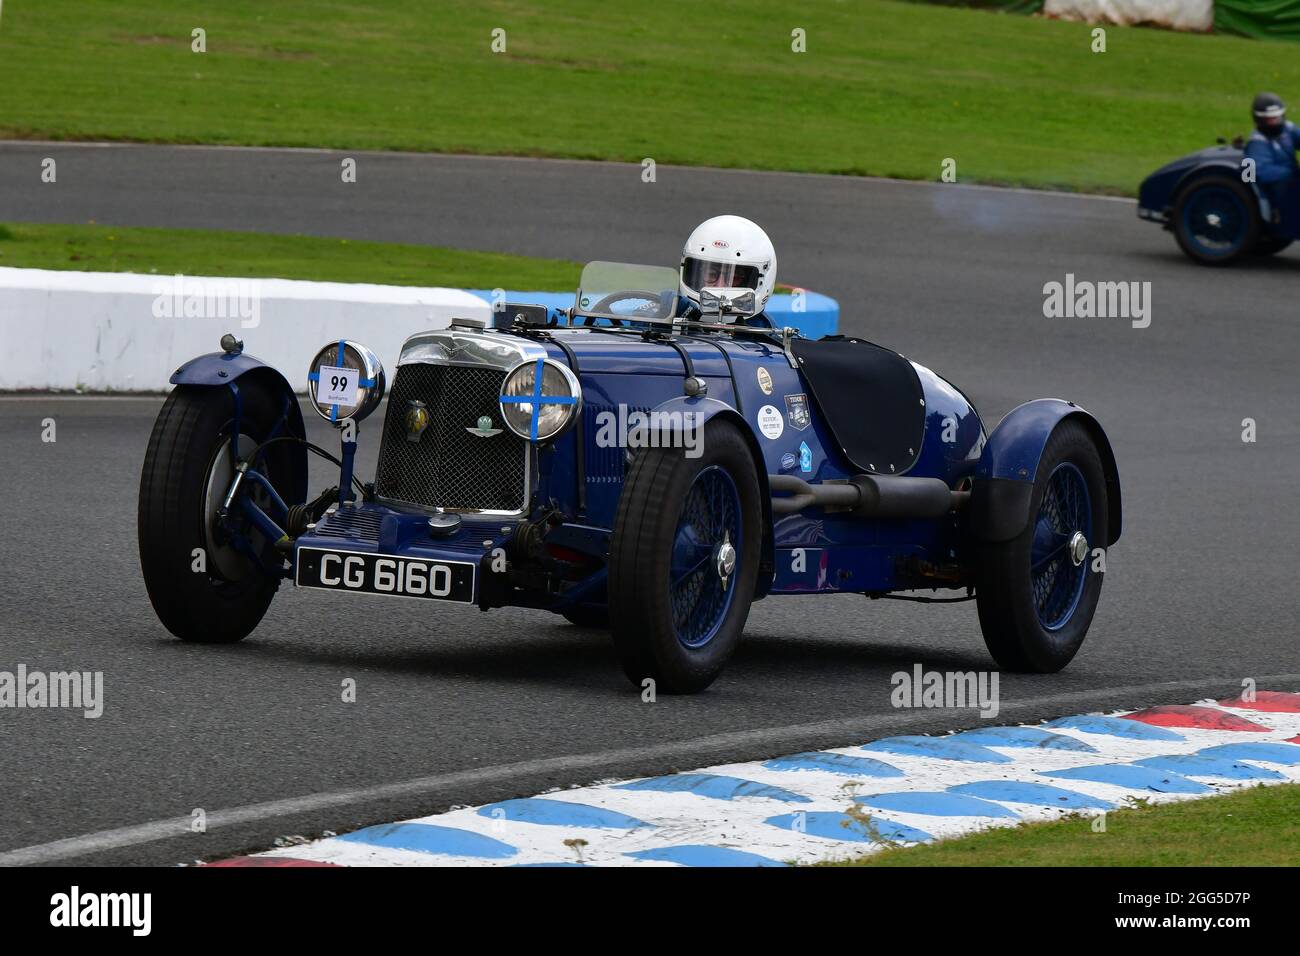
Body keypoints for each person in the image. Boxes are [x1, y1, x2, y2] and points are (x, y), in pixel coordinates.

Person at [678, 215, 777, 325]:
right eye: (711, 274)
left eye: (734, 277)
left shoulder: (766, 336)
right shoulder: (674, 311)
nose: (720, 285)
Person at [1244, 92, 1300, 216]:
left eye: (1276, 118)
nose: (1274, 122)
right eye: (1269, 119)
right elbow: (1259, 172)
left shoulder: (1288, 129)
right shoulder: (1257, 142)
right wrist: (1291, 173)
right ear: (1259, 120)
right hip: (1278, 190)